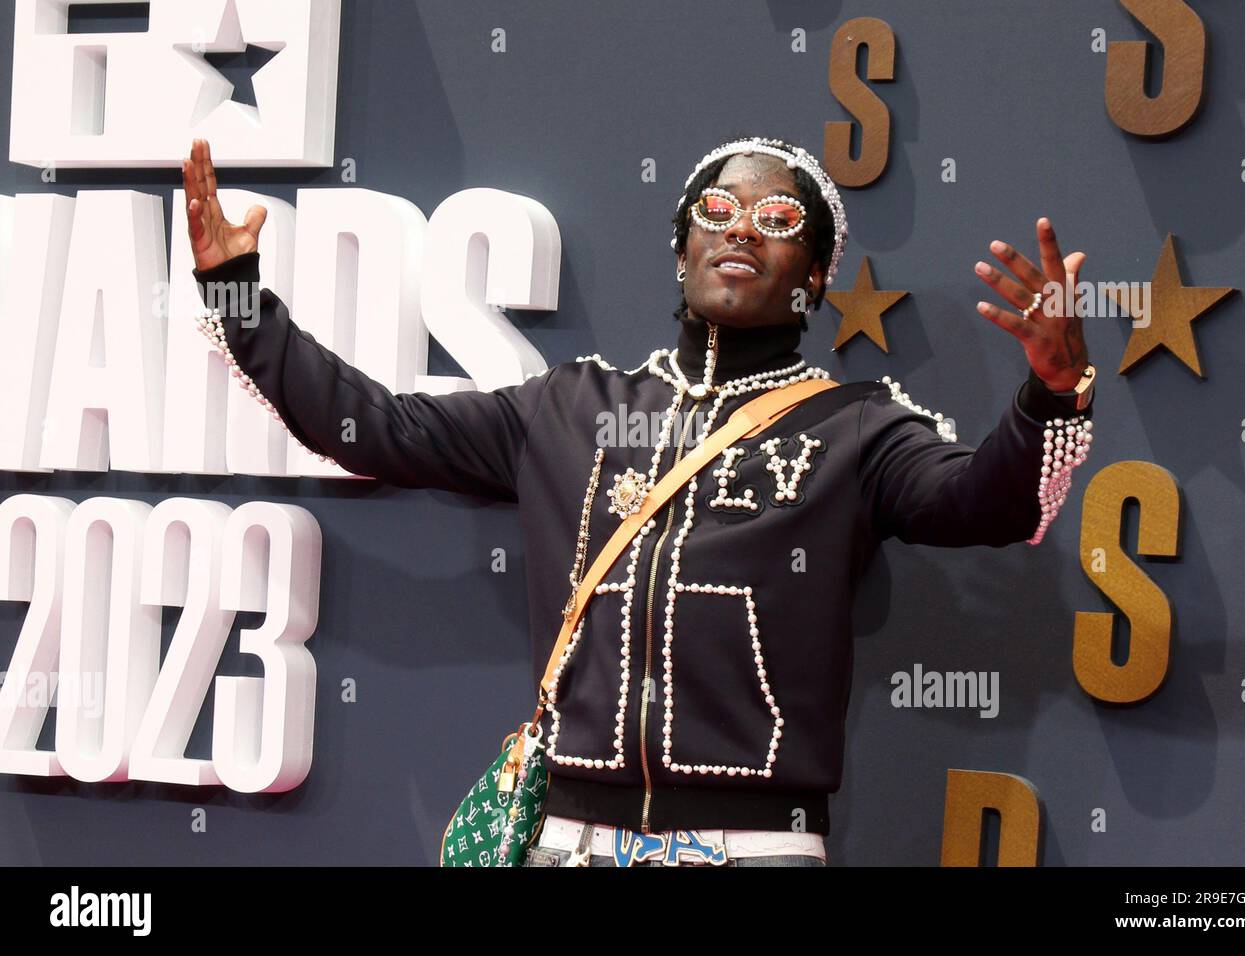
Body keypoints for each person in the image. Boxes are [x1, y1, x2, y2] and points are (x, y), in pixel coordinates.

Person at [182, 133, 1096, 867]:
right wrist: (239, 296)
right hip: (566, 841)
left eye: (776, 218)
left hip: (754, 847)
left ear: (815, 275)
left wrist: (1052, 394)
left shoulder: (855, 427)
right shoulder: (570, 408)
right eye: (717, 210)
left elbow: (992, 504)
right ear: (681, 248)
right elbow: (371, 427)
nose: (740, 230)